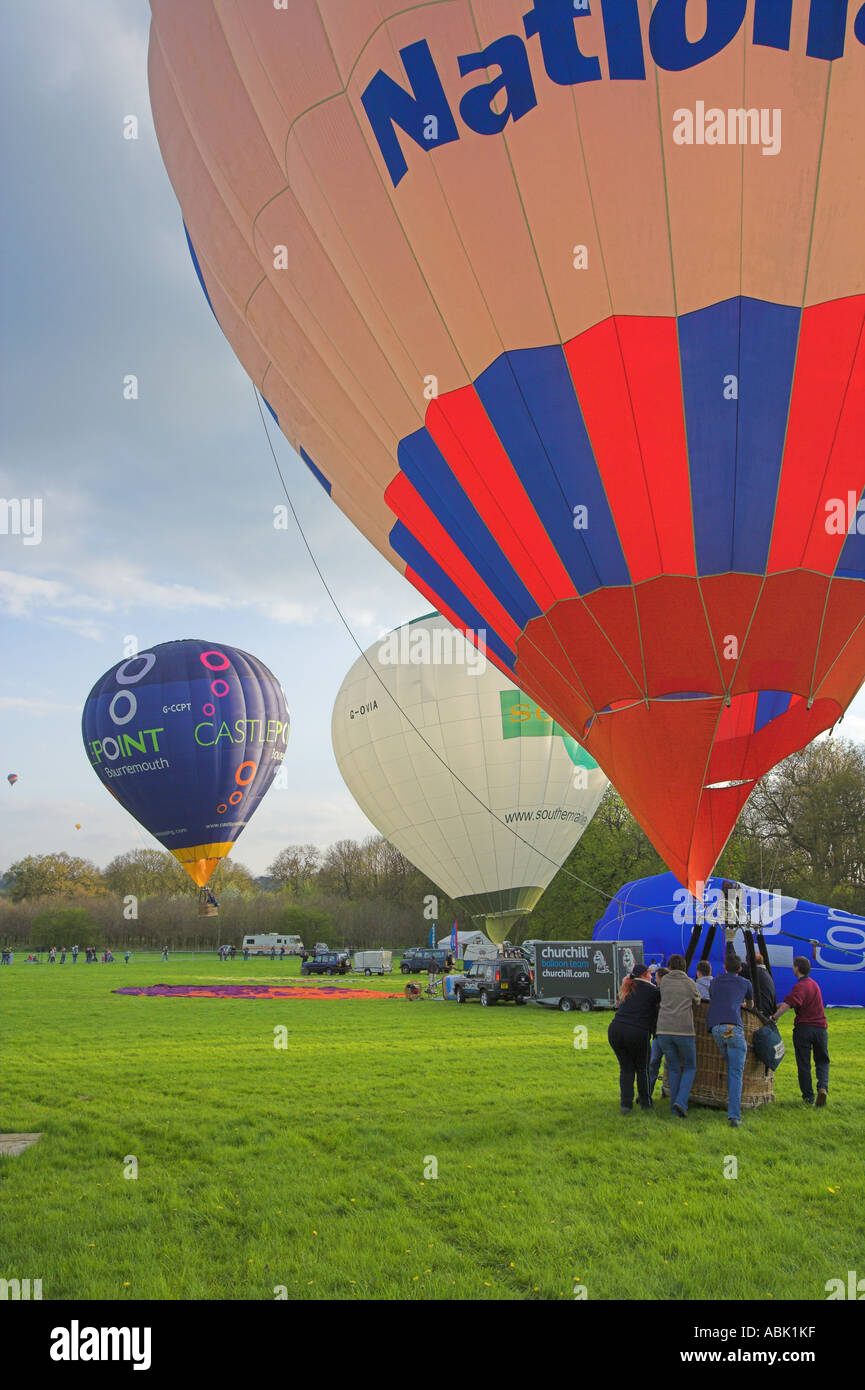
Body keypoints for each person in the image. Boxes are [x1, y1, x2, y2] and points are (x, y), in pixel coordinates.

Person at [772, 957, 829, 1106]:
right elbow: (788, 1003)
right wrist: (778, 1005)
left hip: (804, 1029)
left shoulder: (800, 986)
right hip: (821, 1028)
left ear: (797, 968)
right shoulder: (814, 985)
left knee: (804, 1064)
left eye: (793, 966)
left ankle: (808, 1097)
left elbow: (788, 1005)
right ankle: (822, 1087)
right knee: (822, 1061)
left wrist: (774, 1017)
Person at [706, 954, 754, 1127]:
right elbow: (750, 1006)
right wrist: (742, 1005)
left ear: (724, 966)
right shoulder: (745, 983)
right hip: (734, 1027)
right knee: (735, 1072)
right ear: (740, 969)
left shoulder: (715, 981)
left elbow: (714, 998)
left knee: (730, 1068)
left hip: (716, 1028)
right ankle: (734, 1115)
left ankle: (725, 1101)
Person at [607, 963, 660, 1113]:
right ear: (644, 975)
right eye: (650, 974)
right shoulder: (652, 990)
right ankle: (645, 1102)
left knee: (626, 1068)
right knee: (642, 1069)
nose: (652, 977)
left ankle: (626, 1104)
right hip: (636, 1031)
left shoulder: (628, 988)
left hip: (615, 1030)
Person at [655, 953, 701, 1118]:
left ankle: (675, 1110)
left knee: (673, 1068)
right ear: (684, 967)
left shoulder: (664, 981)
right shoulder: (689, 982)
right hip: (684, 1030)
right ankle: (681, 1102)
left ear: (670, 966)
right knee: (690, 1067)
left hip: (663, 1030)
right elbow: (697, 1000)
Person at [648, 968, 668, 1095]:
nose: (655, 979)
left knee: (655, 1062)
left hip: (663, 1032)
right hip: (658, 1033)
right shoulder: (656, 992)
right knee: (654, 1062)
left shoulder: (661, 993)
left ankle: (665, 1089)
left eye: (656, 976)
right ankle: (648, 1092)